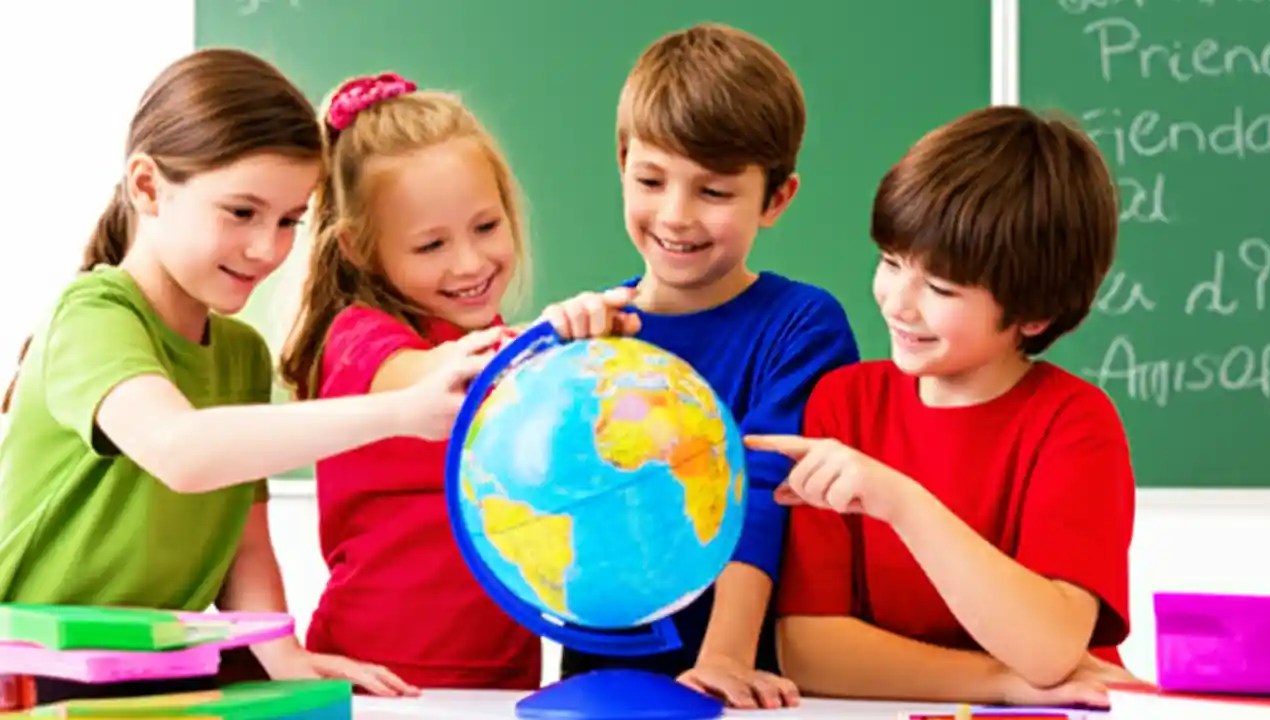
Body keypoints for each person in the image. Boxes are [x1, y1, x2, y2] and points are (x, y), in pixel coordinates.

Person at [0, 49, 490, 704]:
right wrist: (400, 412)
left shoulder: (239, 353)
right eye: (241, 212)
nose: (269, 249)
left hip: (139, 680)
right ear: (147, 186)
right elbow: (181, 451)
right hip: (27, 674)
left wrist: (286, 656)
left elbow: (245, 543)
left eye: (290, 220)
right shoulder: (92, 314)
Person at [750, 105, 1141, 708]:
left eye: (940, 289)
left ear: (1033, 315)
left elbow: (1049, 652)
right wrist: (1001, 683)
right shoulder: (844, 401)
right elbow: (810, 650)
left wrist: (902, 503)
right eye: (890, 262)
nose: (899, 303)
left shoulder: (1074, 423)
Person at [278, 72, 640, 693]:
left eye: (486, 227)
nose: (469, 263)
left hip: (502, 680)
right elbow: (444, 380)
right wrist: (553, 337)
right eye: (431, 245)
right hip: (377, 684)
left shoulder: (493, 336)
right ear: (361, 250)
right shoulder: (360, 341)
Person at [556, 24, 861, 710]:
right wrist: (552, 360)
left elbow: (768, 489)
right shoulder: (598, 330)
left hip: (747, 671)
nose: (675, 215)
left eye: (714, 192)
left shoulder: (802, 325)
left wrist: (723, 655)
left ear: (776, 199)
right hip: (599, 665)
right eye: (650, 180)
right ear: (622, 162)